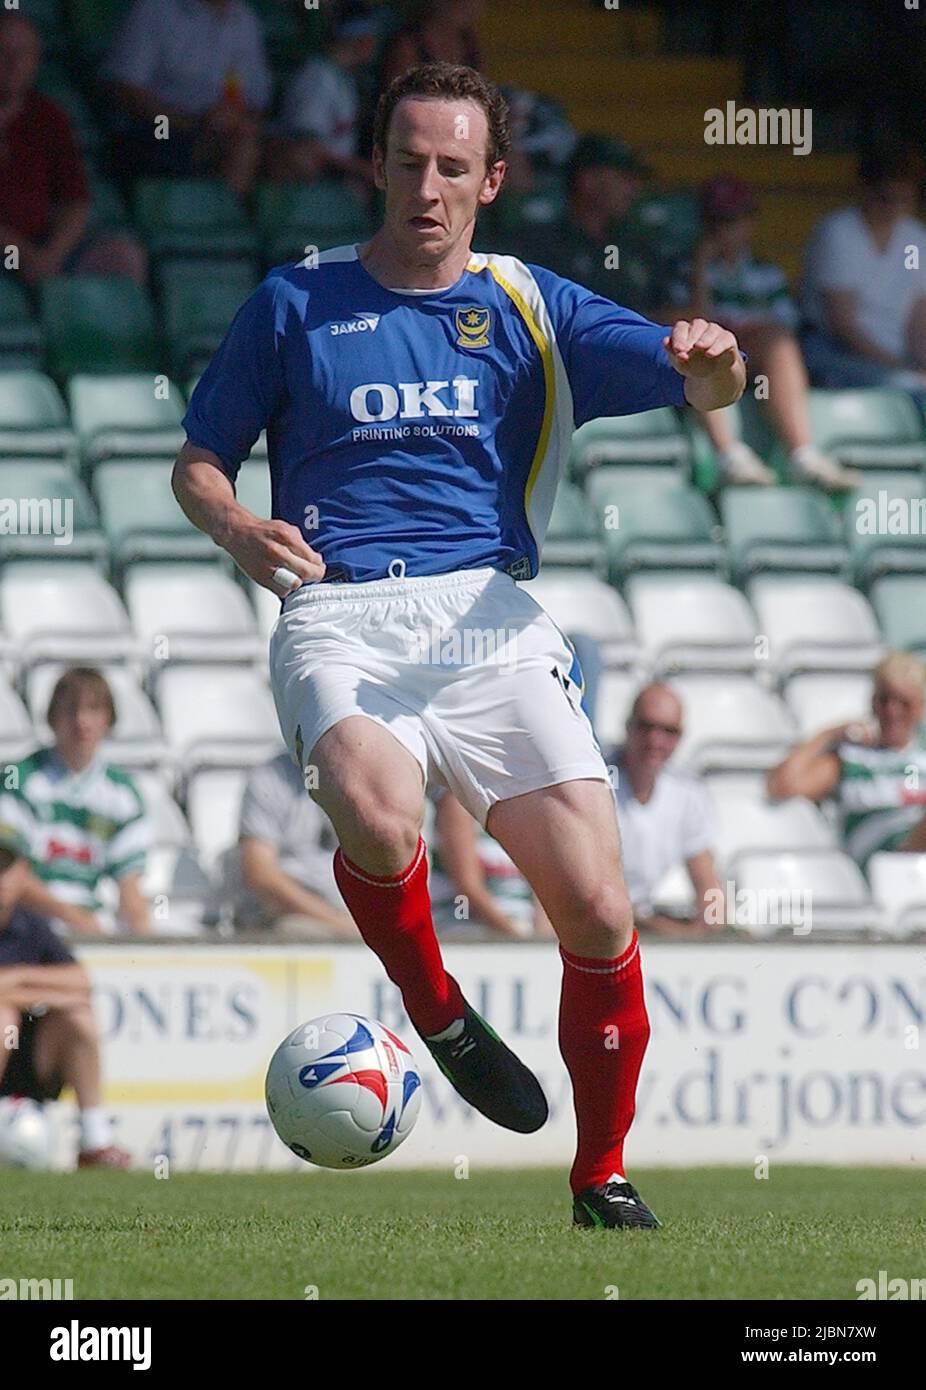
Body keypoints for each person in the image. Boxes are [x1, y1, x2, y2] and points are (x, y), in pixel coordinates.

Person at [173, 61, 745, 1230]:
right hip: (337, 608)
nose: (425, 186)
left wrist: (716, 358)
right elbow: (198, 462)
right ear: (373, 167)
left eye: (451, 167)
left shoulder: (533, 304)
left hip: (487, 619)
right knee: (379, 818)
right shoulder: (295, 302)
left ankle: (601, 1174)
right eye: (406, 161)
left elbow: (711, 388)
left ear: (490, 179)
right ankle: (434, 1006)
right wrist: (232, 522)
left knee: (595, 906)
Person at [667, 176, 861, 491]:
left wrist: (740, 330)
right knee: (703, 349)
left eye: (736, 219)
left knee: (779, 342)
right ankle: (728, 456)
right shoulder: (684, 272)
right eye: (719, 220)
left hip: (758, 360)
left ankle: (803, 454)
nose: (727, 229)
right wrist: (701, 267)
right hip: (708, 360)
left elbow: (785, 324)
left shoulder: (766, 273)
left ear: (750, 222)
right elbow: (691, 322)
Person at [0, 823, 131, 1167]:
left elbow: (81, 983)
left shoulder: (30, 925)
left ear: (24, 873)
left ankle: (94, 1139)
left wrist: (16, 981)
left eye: (5, 865)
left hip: (30, 1055)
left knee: (78, 1015)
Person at [0, 12, 146, 286]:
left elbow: (76, 201)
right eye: (4, 53)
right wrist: (17, 250)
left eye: (23, 53)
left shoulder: (49, 116)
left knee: (123, 256)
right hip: (8, 248)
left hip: (44, 245)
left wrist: (50, 256)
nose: (14, 64)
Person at [6, 668, 151, 938]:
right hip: (27, 919)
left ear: (109, 719)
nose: (81, 720)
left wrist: (143, 936)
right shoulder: (19, 779)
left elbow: (130, 888)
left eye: (93, 709)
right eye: (70, 709)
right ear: (52, 717)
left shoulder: (123, 794)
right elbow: (11, 876)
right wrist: (74, 918)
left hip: (89, 918)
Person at [767, 651, 926, 870]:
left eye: (904, 703)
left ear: (920, 708)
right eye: (884, 700)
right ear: (872, 703)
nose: (892, 711)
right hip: (880, 864)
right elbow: (782, 785)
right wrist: (829, 734)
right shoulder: (852, 761)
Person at [104, 0, 272, 196]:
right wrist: (192, 122)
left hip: (215, 131)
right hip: (159, 127)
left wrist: (233, 117)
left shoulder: (244, 18)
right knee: (239, 147)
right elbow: (126, 90)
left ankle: (222, 219)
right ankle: (217, 221)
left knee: (284, 154)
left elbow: (257, 101)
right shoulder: (155, 7)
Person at [800, 145, 926, 392]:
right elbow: (843, 326)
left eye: (905, 199)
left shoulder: (916, 237)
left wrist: (921, 364)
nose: (894, 208)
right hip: (832, 350)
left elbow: (919, 317)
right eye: (886, 198)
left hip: (896, 356)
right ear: (865, 190)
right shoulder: (837, 232)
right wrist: (902, 368)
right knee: (910, 389)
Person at [607, 683, 724, 937]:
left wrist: (710, 932)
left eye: (668, 731)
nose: (655, 740)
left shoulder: (688, 794)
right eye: (646, 726)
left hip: (639, 924)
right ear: (628, 727)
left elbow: (709, 890)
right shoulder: (596, 785)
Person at [516, 135, 668, 319]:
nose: (633, 189)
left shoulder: (637, 248)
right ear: (588, 180)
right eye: (624, 178)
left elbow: (669, 310)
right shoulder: (541, 245)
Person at [234, 750, 359, 939]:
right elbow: (260, 873)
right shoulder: (270, 777)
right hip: (295, 916)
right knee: (296, 932)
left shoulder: (371, 775)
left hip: (360, 916)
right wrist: (340, 923)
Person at [272, 3, 378, 192]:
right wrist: (363, 170)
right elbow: (308, 147)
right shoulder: (317, 76)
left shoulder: (347, 78)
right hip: (304, 176)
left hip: (335, 174)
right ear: (362, 40)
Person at [428, 788, 555, 939]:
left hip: (522, 930)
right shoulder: (458, 802)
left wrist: (542, 937)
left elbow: (544, 882)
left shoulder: (524, 803)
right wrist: (518, 940)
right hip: (467, 929)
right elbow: (468, 889)